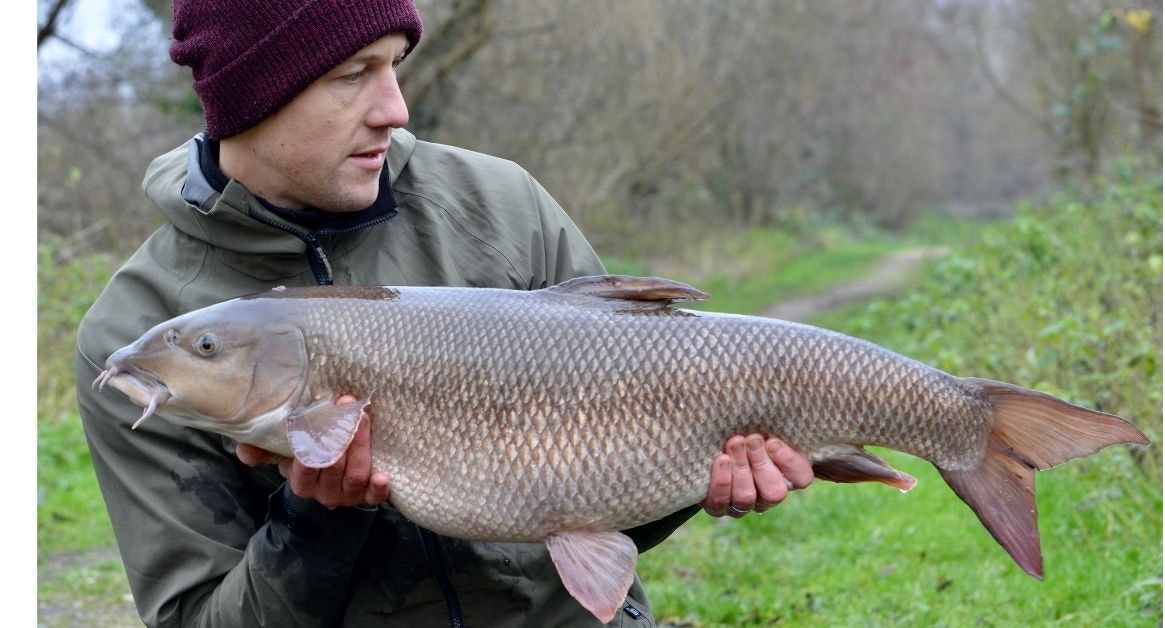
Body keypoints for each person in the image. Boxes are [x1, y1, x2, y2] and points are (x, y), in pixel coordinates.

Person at [74, 1, 814, 626]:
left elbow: (603, 519)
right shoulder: (138, 334)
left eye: (394, 65)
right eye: (353, 75)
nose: (394, 108)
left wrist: (691, 480)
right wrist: (314, 523)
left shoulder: (502, 207)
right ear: (253, 95)